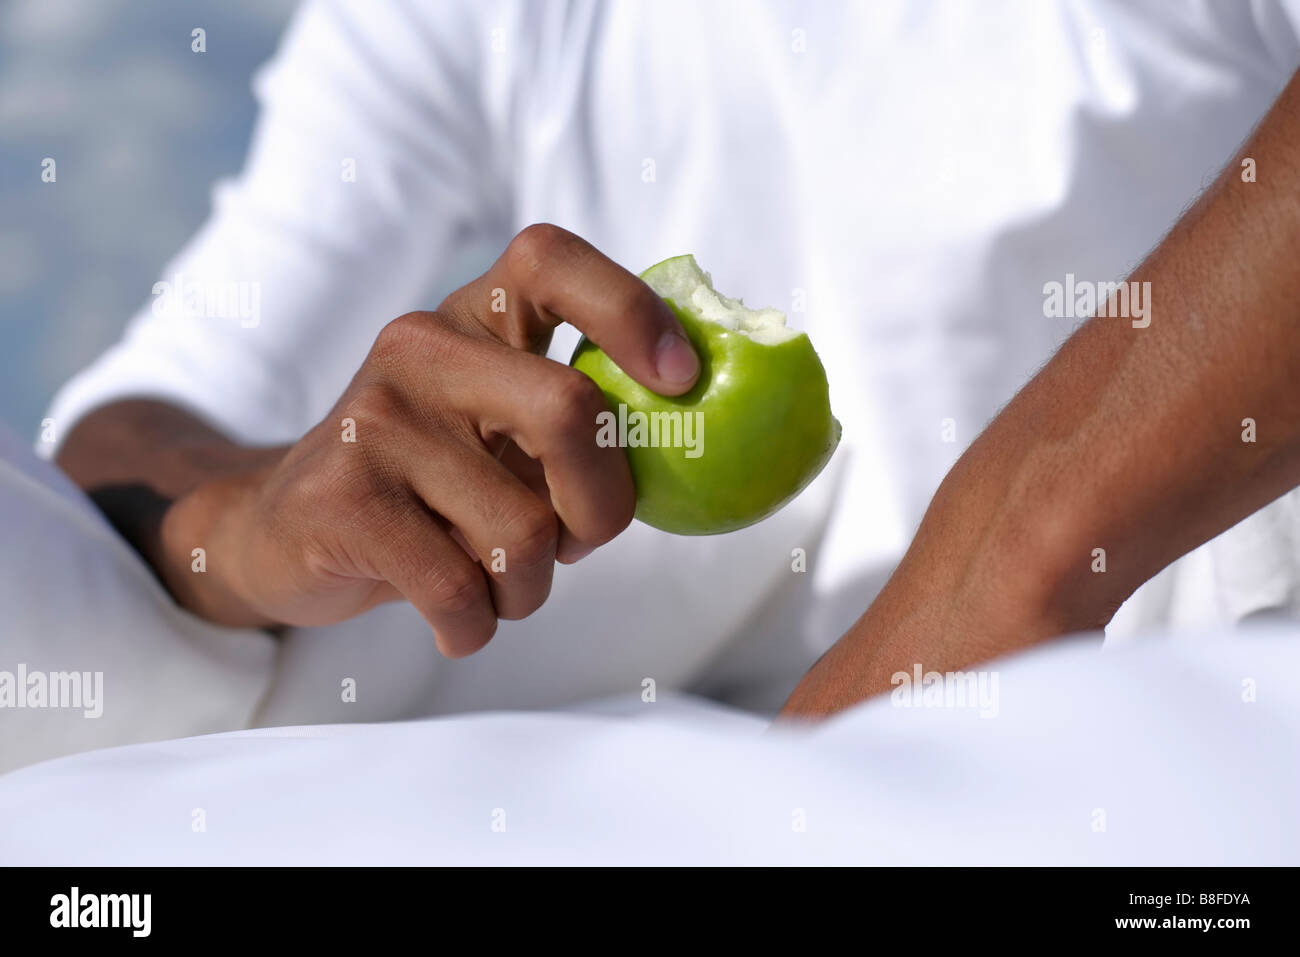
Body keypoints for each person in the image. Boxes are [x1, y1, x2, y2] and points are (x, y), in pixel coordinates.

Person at [44, 0, 1300, 723]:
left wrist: (996, 576)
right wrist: (247, 520)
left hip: (1183, 706)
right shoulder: (457, 23)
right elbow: (122, 442)